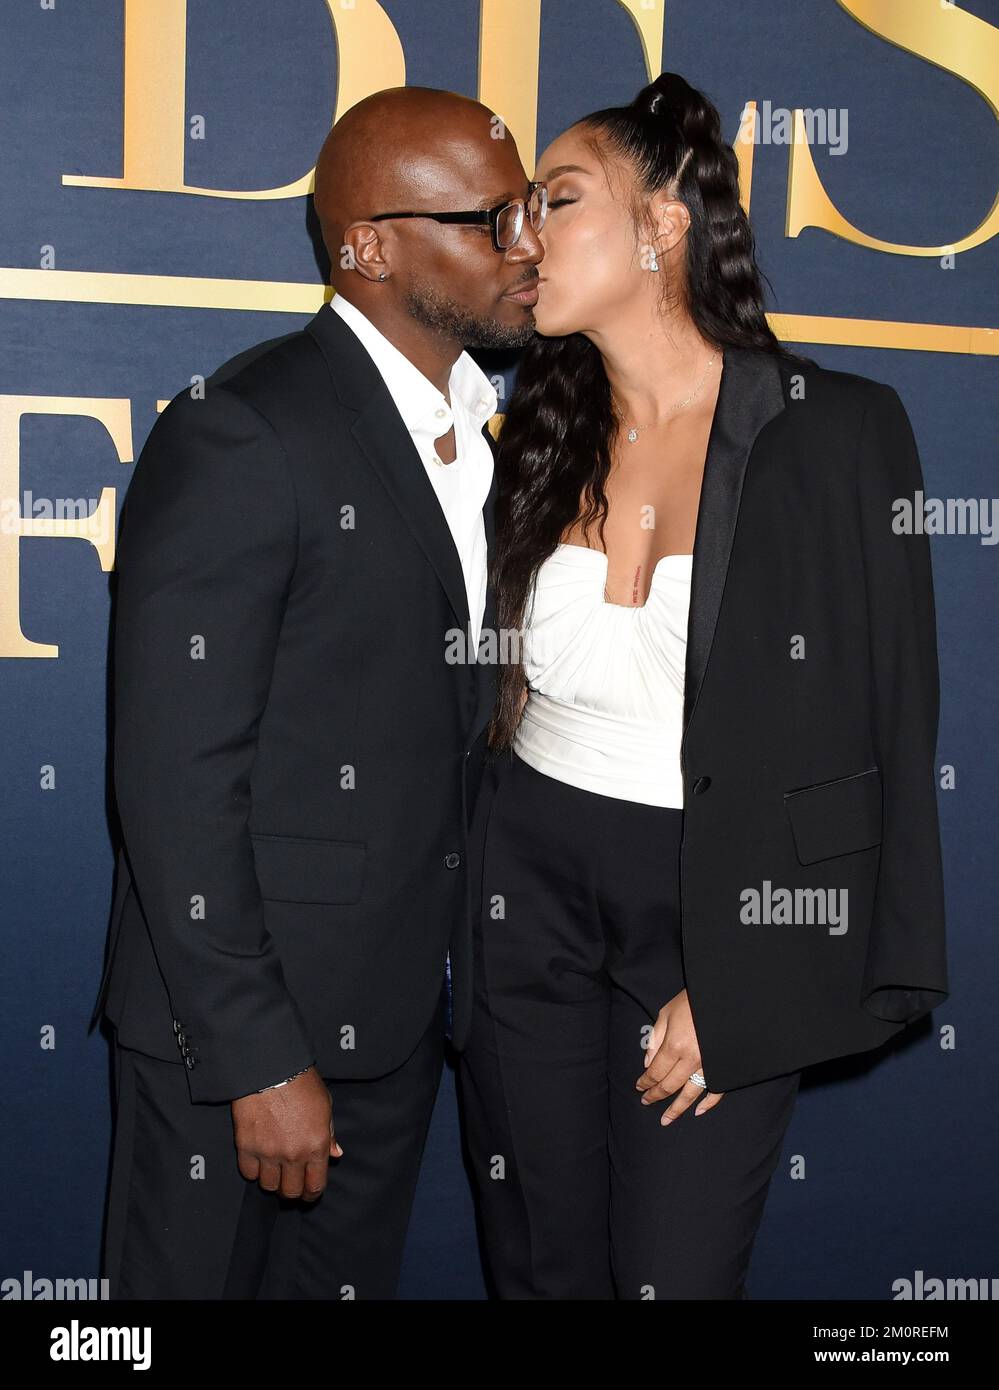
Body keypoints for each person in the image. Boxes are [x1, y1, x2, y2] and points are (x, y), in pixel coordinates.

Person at [454, 71, 948, 1299]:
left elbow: (885, 735)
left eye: (557, 202)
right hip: (527, 892)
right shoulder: (534, 437)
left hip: (719, 900)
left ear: (663, 226)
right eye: (518, 211)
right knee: (541, 1268)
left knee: (671, 1277)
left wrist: (756, 983)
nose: (525, 236)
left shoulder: (839, 433)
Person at [90, 84, 545, 1299]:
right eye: (491, 219)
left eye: (530, 213)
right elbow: (174, 775)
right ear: (370, 248)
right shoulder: (245, 429)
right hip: (240, 1041)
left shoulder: (484, 432)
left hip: (396, 1023)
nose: (527, 247)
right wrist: (256, 1058)